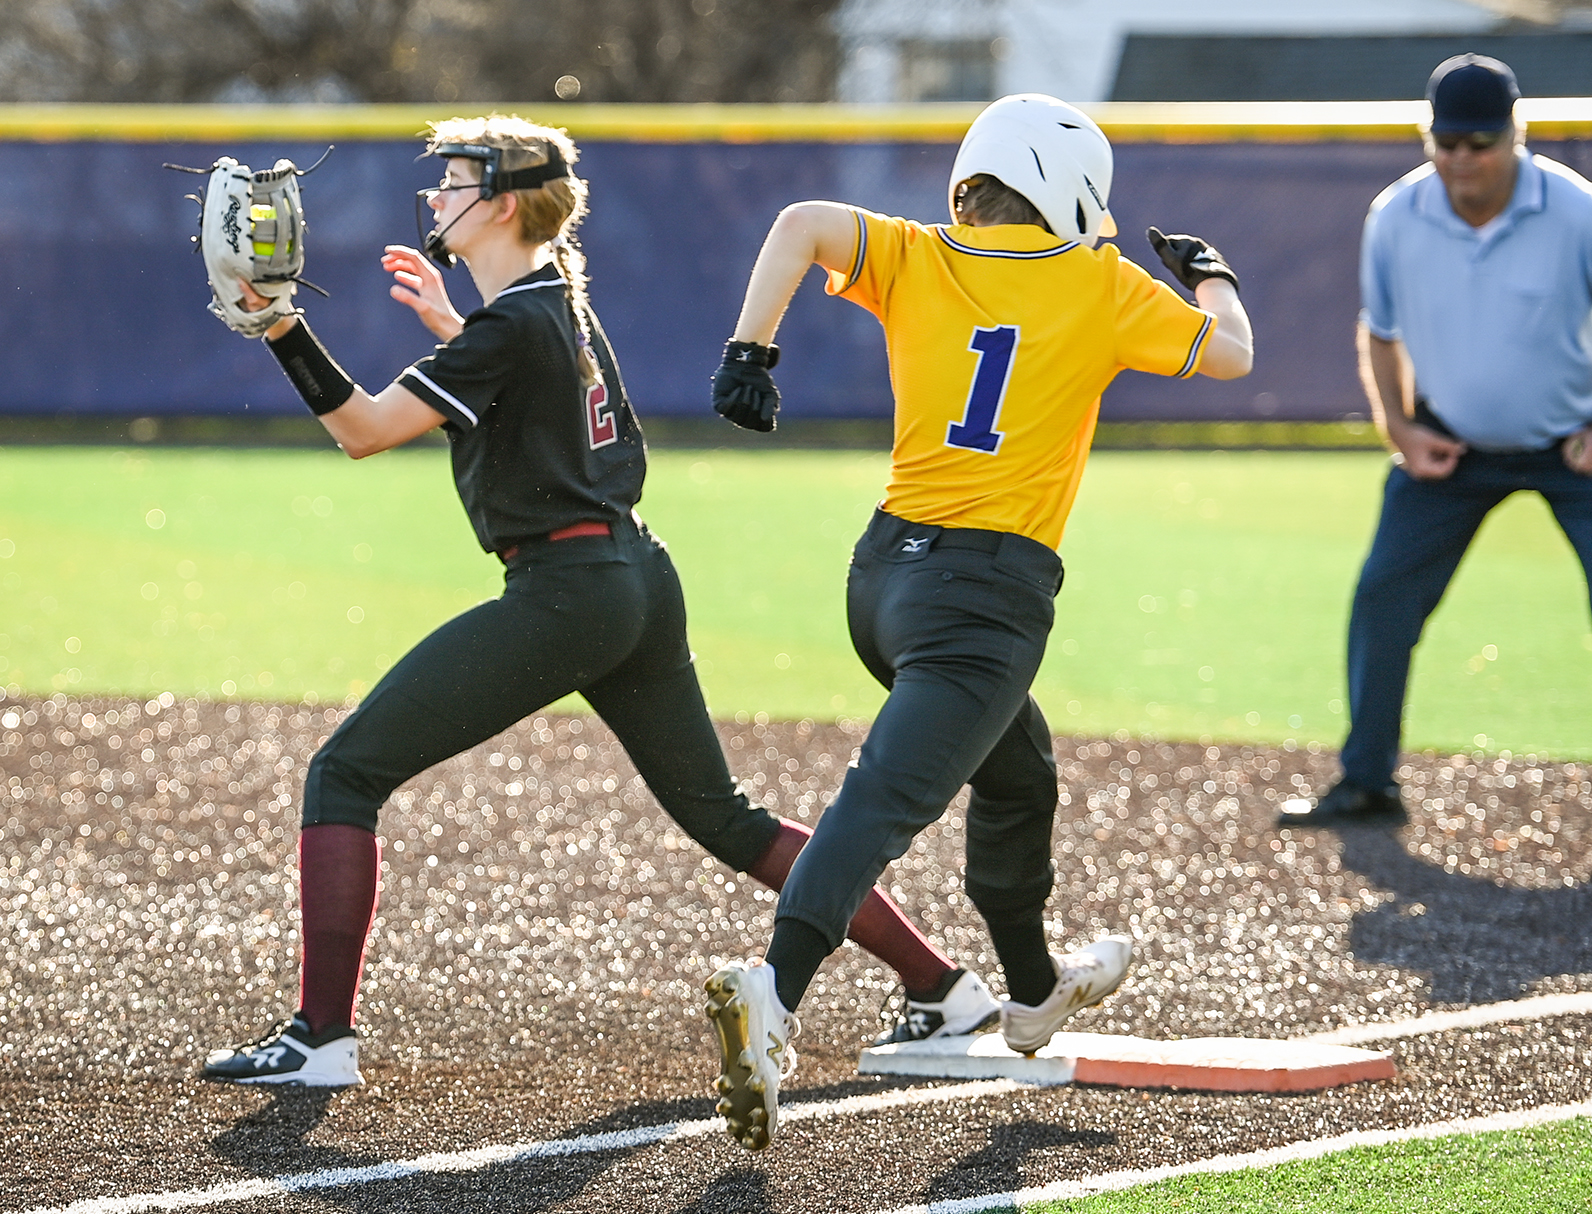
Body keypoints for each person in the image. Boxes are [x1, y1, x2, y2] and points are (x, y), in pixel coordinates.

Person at [199, 114, 998, 1087]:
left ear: (499, 203)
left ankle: (320, 1038)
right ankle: (942, 988)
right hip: (634, 577)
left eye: (454, 182)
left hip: (568, 592)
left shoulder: (514, 320)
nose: (439, 196)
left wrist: (280, 326)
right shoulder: (554, 299)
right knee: (729, 820)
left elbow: (363, 429)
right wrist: (452, 329)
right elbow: (530, 386)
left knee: (344, 772)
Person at [698, 93, 1255, 1150]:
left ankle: (1035, 994)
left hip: (881, 581)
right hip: (984, 600)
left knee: (1018, 775)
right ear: (1069, 189)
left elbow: (798, 223)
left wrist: (749, 350)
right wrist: (1210, 274)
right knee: (879, 803)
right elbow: (1229, 355)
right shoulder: (1097, 280)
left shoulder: (915, 252)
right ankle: (773, 995)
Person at [1280, 56, 1592, 841]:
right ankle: (1367, 781)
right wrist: (1399, 429)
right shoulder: (1395, 215)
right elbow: (1380, 329)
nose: (1461, 158)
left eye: (1478, 141)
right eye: (1446, 142)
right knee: (1382, 595)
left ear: (1515, 134)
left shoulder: (1576, 212)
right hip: (1450, 446)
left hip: (1571, 448)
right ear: (1426, 138)